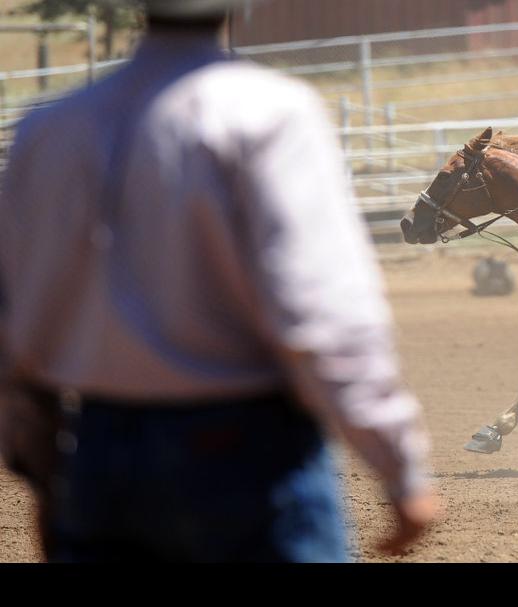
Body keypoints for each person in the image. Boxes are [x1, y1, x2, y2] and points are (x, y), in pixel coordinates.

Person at [0, 0, 438, 562]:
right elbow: (321, 313)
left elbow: (17, 318)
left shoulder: (51, 128)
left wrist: (34, 459)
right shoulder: (273, 113)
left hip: (97, 445)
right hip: (248, 448)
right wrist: (398, 467)